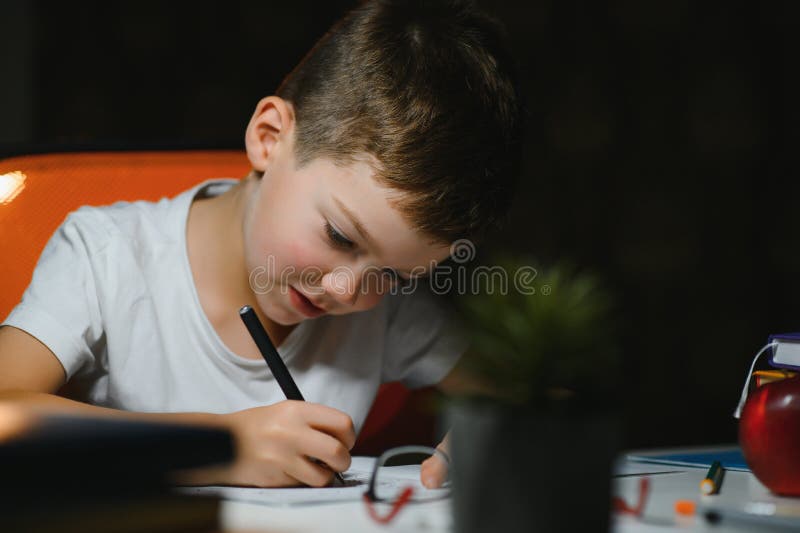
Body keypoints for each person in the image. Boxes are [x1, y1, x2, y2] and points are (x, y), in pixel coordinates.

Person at [0, 0, 520, 489]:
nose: (346, 290)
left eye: (395, 275)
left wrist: (500, 434)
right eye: (339, 236)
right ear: (269, 137)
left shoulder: (382, 311)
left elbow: (535, 399)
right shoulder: (107, 256)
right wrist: (218, 447)